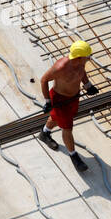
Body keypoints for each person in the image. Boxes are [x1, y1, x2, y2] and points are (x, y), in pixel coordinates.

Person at [40, 40, 98, 172]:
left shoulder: (80, 64)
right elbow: (44, 80)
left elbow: (81, 73)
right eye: (87, 56)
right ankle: (73, 155)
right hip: (60, 100)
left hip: (73, 97)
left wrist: (88, 85)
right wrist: (48, 101)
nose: (89, 58)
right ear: (78, 57)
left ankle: (44, 133)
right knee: (67, 128)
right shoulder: (60, 67)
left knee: (56, 118)